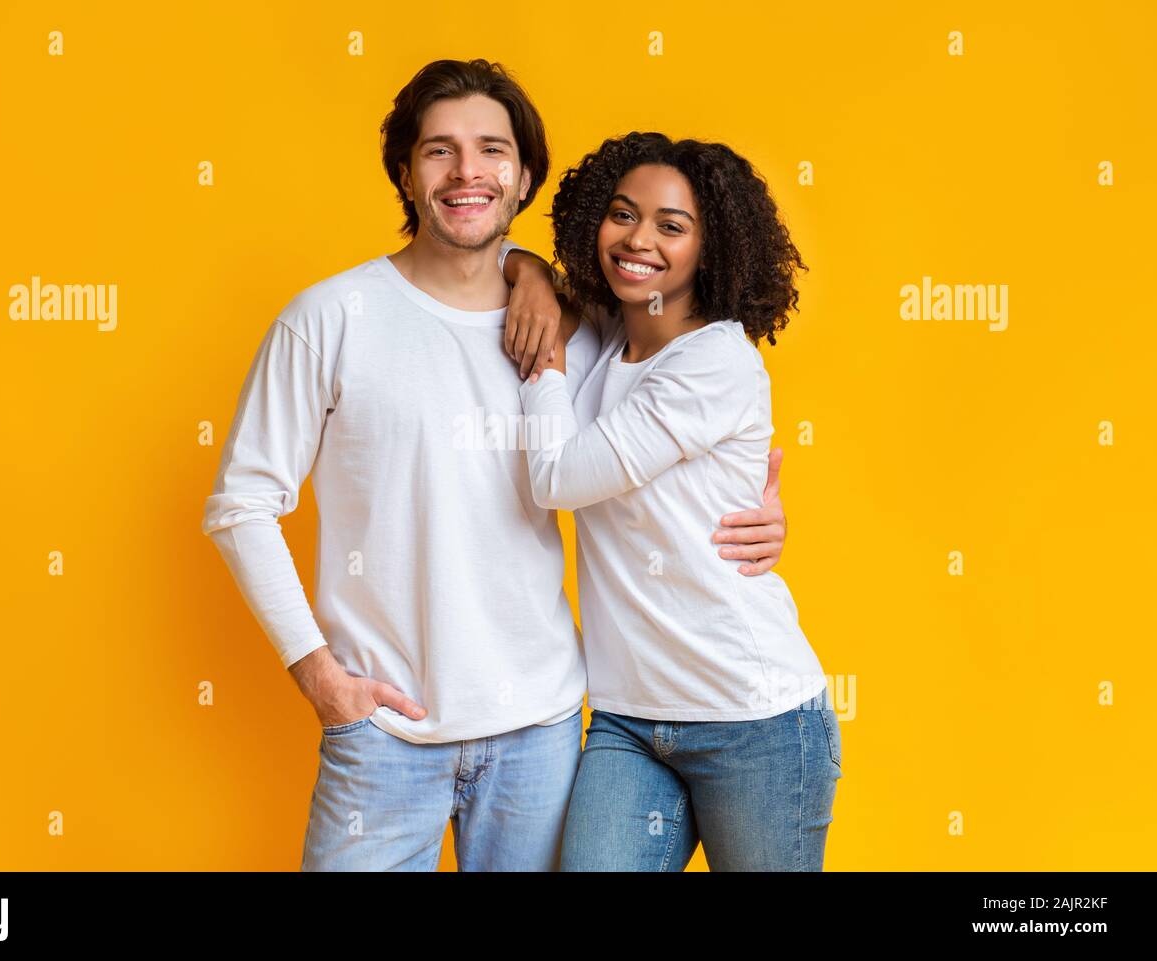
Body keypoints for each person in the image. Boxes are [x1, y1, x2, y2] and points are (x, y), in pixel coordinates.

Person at [201, 60, 789, 872]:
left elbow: (672, 452)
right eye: (439, 151)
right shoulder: (330, 319)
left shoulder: (588, 338)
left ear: (524, 179)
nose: (467, 172)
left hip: (540, 736)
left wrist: (758, 510)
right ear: (405, 174)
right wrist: (321, 677)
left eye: (491, 150)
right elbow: (241, 505)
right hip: (384, 734)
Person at [509, 132, 841, 871]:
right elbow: (525, 277)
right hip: (629, 719)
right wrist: (526, 267)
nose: (638, 239)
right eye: (622, 214)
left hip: (753, 718)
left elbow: (556, 477)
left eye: (671, 225)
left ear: (710, 246)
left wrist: (543, 363)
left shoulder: (716, 360)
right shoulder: (607, 338)